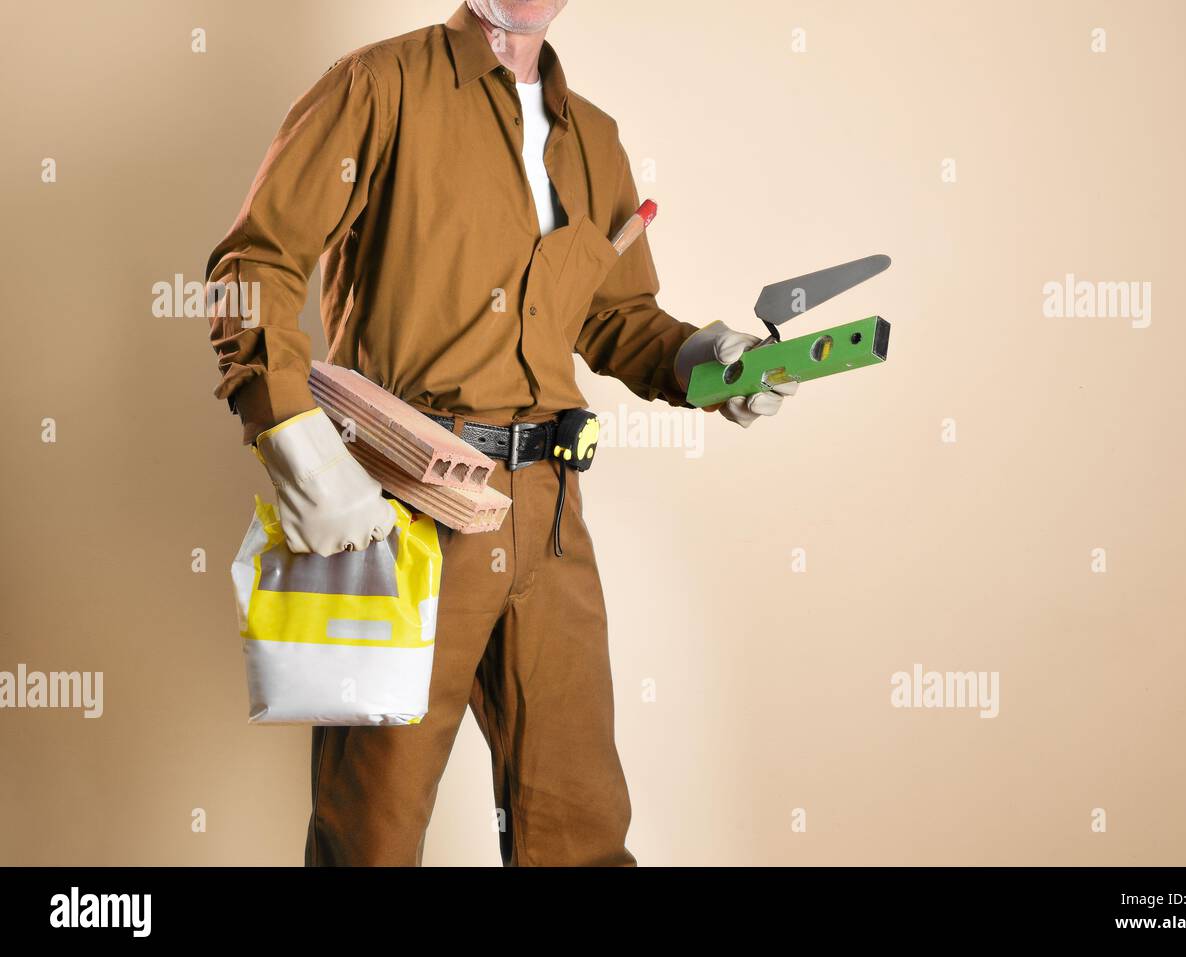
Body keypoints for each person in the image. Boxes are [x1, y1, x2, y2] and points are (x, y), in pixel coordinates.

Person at [204, 0, 794, 866]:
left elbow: (617, 317)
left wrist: (707, 361)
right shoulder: (379, 87)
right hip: (406, 509)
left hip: (550, 516)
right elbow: (253, 264)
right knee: (370, 831)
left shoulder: (592, 136)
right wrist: (292, 436)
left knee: (580, 829)